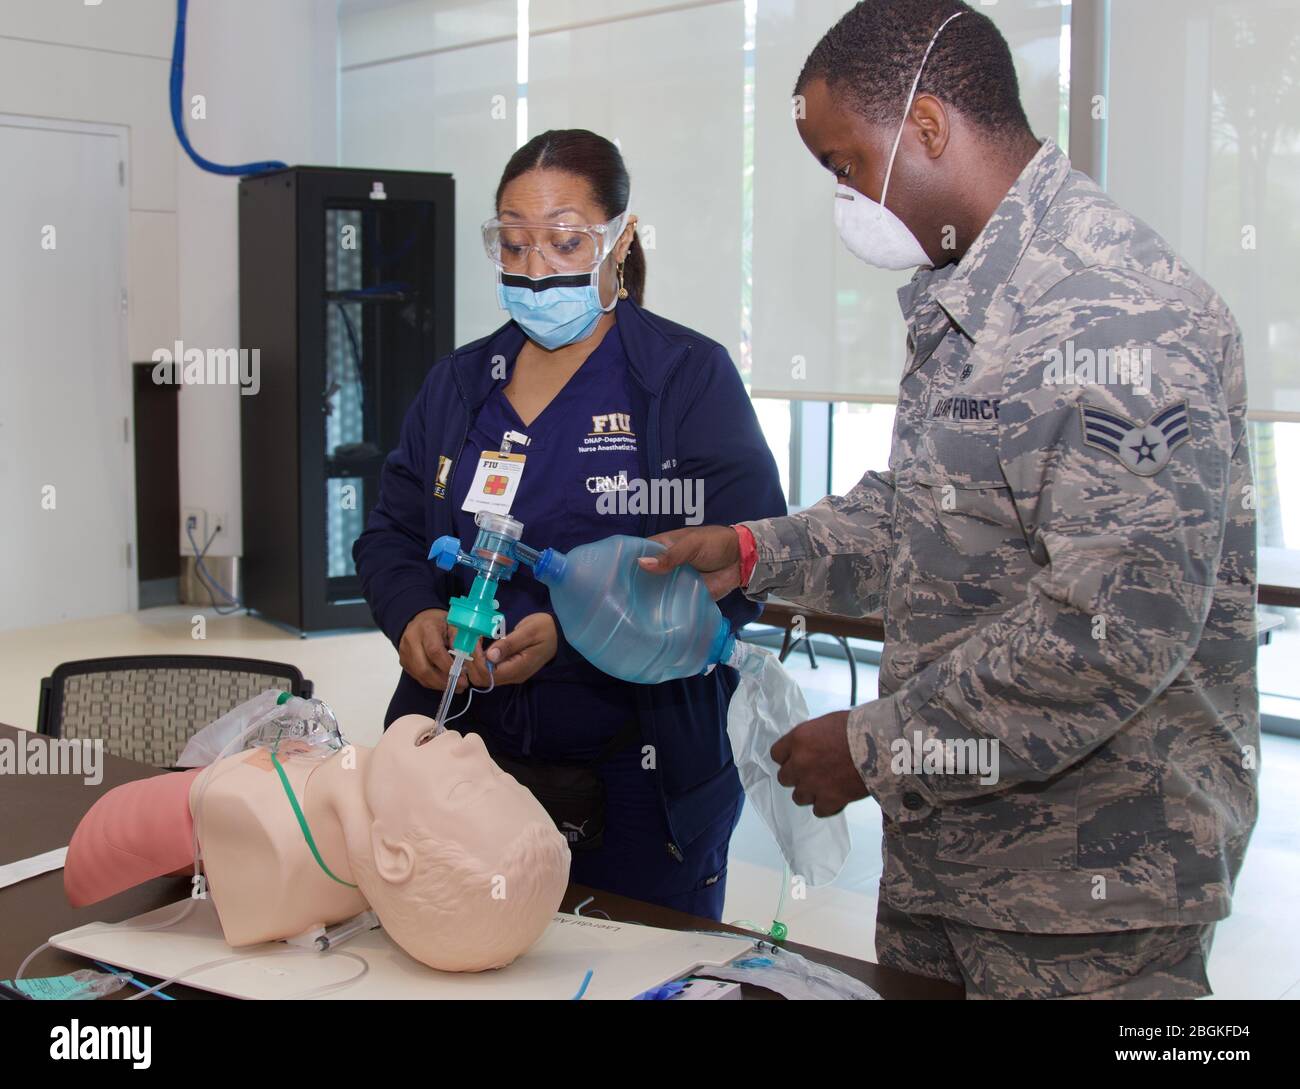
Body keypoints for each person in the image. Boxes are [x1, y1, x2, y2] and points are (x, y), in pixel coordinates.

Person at [643, 0, 1258, 997]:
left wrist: (871, 746)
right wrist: (756, 552)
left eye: (844, 164)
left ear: (927, 126)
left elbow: (1115, 633)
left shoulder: (1108, 311)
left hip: (1084, 895)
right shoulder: (970, 292)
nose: (842, 198)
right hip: (952, 854)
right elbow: (925, 516)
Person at [354, 129, 786, 920]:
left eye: (563, 242)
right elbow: (390, 531)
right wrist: (412, 611)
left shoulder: (685, 382)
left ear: (620, 240)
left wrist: (583, 629)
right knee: (449, 952)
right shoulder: (460, 384)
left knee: (621, 964)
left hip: (634, 777)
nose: (535, 268)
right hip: (459, 756)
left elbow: (746, 564)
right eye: (514, 245)